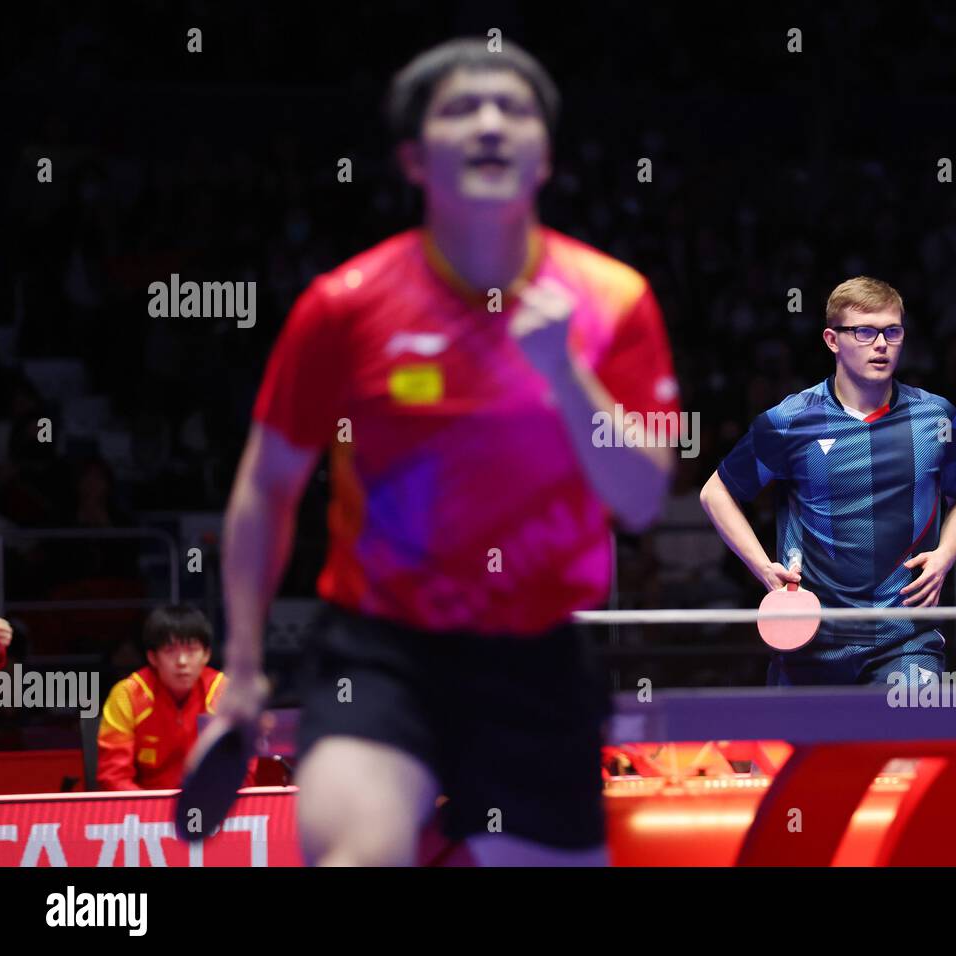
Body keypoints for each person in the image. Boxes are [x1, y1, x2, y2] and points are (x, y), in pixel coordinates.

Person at [211, 37, 678, 866]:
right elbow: (267, 486)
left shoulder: (613, 301)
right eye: (460, 109)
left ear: (546, 156)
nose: (491, 123)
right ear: (412, 159)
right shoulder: (345, 308)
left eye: (515, 109)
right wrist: (242, 668)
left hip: (538, 656)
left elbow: (641, 499)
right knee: (361, 854)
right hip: (381, 651)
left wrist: (565, 376)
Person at [700, 276, 956, 686]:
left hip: (904, 639)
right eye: (864, 331)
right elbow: (715, 493)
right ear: (832, 339)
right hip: (811, 642)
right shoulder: (791, 421)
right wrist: (763, 568)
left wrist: (944, 557)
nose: (881, 343)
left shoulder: (936, 418)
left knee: (907, 746)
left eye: (892, 331)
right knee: (803, 752)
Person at [97, 605, 250, 790]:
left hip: (210, 807)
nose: (182, 662)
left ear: (206, 655)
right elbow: (113, 776)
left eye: (191, 650)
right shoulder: (128, 695)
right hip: (146, 810)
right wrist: (151, 814)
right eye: (170, 651)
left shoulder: (223, 692)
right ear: (153, 657)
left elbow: (241, 771)